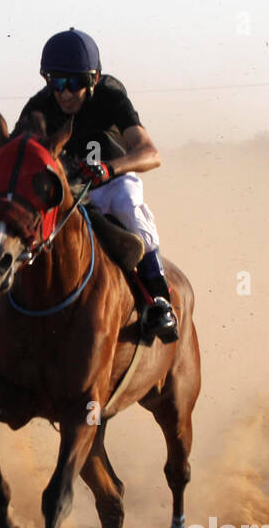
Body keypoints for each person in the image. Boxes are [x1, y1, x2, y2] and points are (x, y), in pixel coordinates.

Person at [16, 28, 178, 343]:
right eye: (56, 81)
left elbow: (150, 153)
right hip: (67, 192)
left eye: (74, 83)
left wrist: (108, 169)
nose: (64, 92)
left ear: (94, 79)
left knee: (128, 207)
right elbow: (15, 153)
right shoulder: (40, 105)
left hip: (113, 182)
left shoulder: (111, 96)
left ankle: (159, 301)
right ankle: (5, 295)